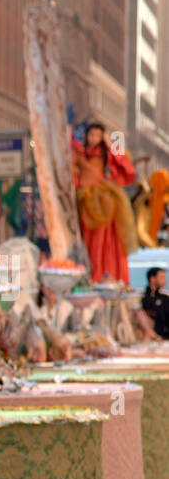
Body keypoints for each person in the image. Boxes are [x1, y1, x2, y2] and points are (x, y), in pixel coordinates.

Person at [73, 121, 138, 284]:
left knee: (107, 241)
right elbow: (72, 174)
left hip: (103, 200)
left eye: (97, 135)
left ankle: (107, 275)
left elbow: (127, 169)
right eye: (91, 134)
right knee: (89, 240)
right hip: (85, 200)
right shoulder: (79, 154)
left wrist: (111, 145)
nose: (93, 138)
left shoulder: (105, 154)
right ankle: (91, 275)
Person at [142, 266, 169, 339]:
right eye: (162, 278)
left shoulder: (165, 297)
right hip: (151, 334)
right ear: (152, 278)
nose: (165, 281)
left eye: (165, 278)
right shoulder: (142, 297)